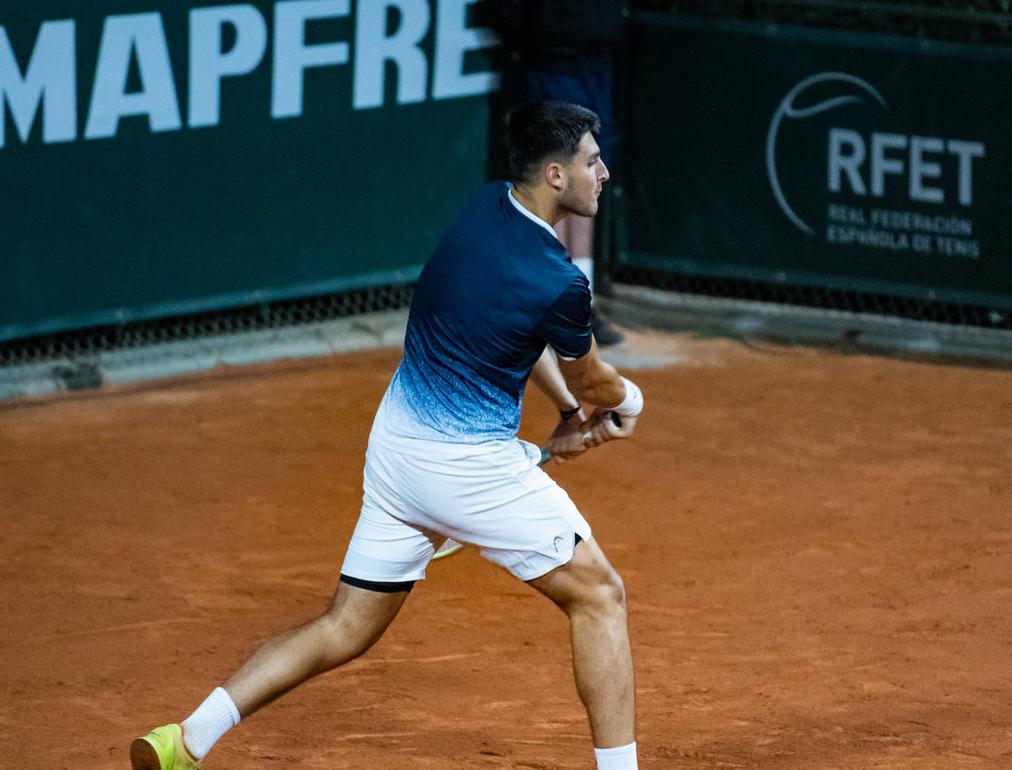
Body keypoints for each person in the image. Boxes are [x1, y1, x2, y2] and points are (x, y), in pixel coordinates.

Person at [129, 102, 645, 770]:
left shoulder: (482, 210)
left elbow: (526, 336)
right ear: (555, 174)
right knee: (599, 597)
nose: (603, 172)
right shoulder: (559, 280)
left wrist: (570, 415)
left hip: (397, 450)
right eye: (591, 161)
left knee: (345, 625)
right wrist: (626, 402)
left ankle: (185, 739)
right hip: (465, 471)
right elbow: (595, 377)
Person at [490, 0, 628, 346]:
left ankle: (579, 302)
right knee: (553, 183)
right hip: (549, 67)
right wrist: (536, 40)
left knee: (586, 177)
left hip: (597, 65)